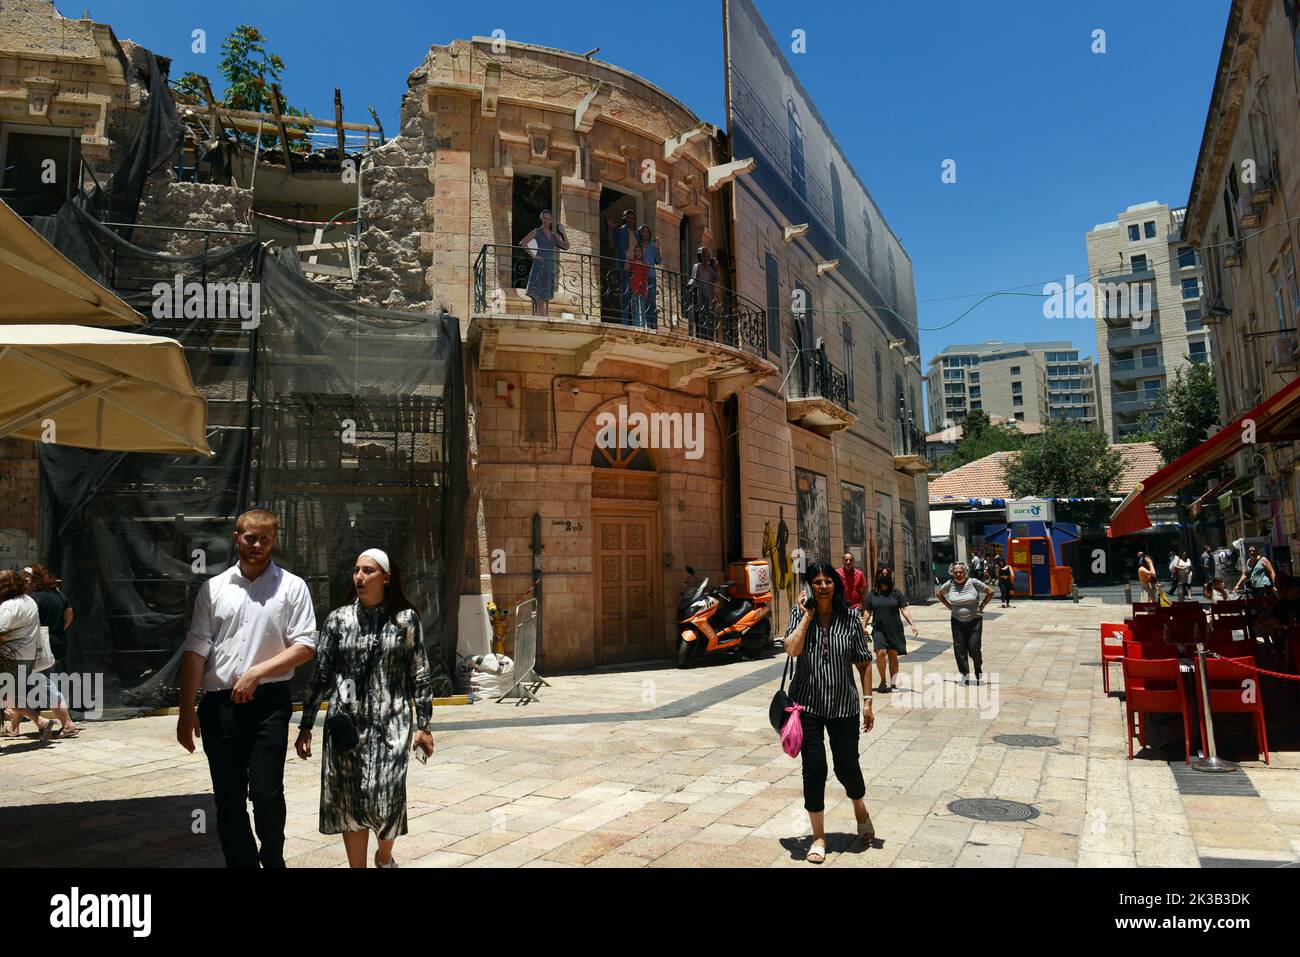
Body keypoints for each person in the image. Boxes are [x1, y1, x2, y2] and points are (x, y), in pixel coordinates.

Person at [177, 509, 318, 868]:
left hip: (269, 704)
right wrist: (185, 711)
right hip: (220, 706)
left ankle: (272, 859)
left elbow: (305, 645)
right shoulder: (214, 588)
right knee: (229, 798)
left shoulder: (292, 587)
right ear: (236, 537)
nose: (256, 545)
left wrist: (257, 672)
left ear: (274, 540)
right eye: (250, 537)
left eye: (264, 539)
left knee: (267, 792)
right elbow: (195, 651)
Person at [296, 549, 435, 869]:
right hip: (347, 726)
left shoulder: (404, 620)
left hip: (392, 724)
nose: (359, 576)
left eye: (368, 570)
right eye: (356, 570)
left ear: (386, 577)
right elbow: (321, 674)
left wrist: (424, 725)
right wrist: (306, 724)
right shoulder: (339, 619)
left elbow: (420, 672)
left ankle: (384, 858)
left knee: (387, 797)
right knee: (350, 803)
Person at [782, 560, 875, 864]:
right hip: (806, 705)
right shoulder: (799, 613)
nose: (822, 586)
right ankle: (818, 836)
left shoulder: (849, 618)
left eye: (827, 581)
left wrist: (868, 701)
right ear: (810, 585)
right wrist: (807, 615)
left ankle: (860, 808)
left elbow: (863, 661)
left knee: (846, 766)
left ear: (836, 585)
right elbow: (792, 649)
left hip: (843, 705)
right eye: (817, 581)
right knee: (814, 768)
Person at [0, 570, 62, 745]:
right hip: (27, 655)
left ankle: (40, 721)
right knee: (12, 696)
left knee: (8, 696)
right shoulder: (30, 602)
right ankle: (39, 722)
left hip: (10, 657)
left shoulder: (9, 606)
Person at [863, 566, 918, 694]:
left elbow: (904, 609)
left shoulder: (896, 593)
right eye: (882, 574)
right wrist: (863, 625)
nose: (884, 575)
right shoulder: (873, 593)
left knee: (893, 656)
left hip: (894, 629)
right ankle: (883, 680)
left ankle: (893, 683)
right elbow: (867, 611)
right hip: (879, 629)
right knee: (880, 653)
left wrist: (912, 624)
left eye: (887, 574)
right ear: (878, 576)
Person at [938, 562, 994, 684]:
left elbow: (990, 592)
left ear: (965, 572)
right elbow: (939, 594)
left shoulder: (973, 582)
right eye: (956, 572)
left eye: (961, 572)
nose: (958, 574)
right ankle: (965, 675)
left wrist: (982, 605)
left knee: (974, 647)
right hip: (957, 621)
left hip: (975, 621)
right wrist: (949, 607)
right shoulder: (950, 584)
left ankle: (977, 666)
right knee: (960, 649)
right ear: (952, 573)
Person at [520, 210, 569, 316]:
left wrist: (563, 232)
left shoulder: (553, 235)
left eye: (549, 218)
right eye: (544, 218)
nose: (546, 220)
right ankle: (540, 312)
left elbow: (566, 246)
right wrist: (534, 255)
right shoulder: (537, 231)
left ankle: (542, 312)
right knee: (539, 285)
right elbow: (523, 243)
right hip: (540, 262)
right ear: (541, 219)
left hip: (549, 264)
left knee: (545, 286)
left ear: (551, 220)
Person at [607, 208, 638, 324]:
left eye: (632, 218)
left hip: (636, 269)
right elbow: (611, 244)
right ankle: (625, 323)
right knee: (625, 295)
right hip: (624, 267)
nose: (630, 220)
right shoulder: (620, 231)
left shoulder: (637, 234)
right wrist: (611, 229)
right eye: (628, 217)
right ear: (624, 219)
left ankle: (636, 323)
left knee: (635, 296)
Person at [688, 246, 720, 337]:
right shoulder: (697, 266)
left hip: (710, 295)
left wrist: (716, 268)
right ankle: (701, 335)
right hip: (701, 294)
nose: (707, 257)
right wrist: (690, 284)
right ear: (701, 256)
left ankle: (709, 337)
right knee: (701, 315)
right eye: (705, 255)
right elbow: (693, 278)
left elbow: (717, 278)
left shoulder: (710, 269)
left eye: (708, 255)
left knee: (709, 316)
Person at [636, 224, 661, 330]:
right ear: (640, 234)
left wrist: (658, 249)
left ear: (649, 234)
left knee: (652, 301)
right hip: (642, 276)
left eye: (647, 231)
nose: (645, 233)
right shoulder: (639, 247)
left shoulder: (653, 247)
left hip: (651, 276)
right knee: (643, 300)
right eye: (643, 231)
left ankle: (654, 326)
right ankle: (645, 324)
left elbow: (659, 261)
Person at [836, 551, 867, 618]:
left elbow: (863, 593)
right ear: (843, 561)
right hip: (841, 607)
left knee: (853, 626)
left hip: (856, 607)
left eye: (850, 560)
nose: (848, 562)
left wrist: (863, 608)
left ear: (853, 561)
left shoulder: (859, 574)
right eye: (846, 560)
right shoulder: (837, 573)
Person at [627, 243, 650, 329]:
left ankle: (642, 326)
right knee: (635, 308)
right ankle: (635, 326)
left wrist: (647, 289)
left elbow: (646, 277)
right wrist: (626, 257)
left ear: (642, 253)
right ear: (634, 252)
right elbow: (626, 268)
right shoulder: (631, 261)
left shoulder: (645, 264)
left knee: (642, 308)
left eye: (639, 251)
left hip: (642, 287)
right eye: (636, 251)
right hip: (634, 287)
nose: (638, 253)